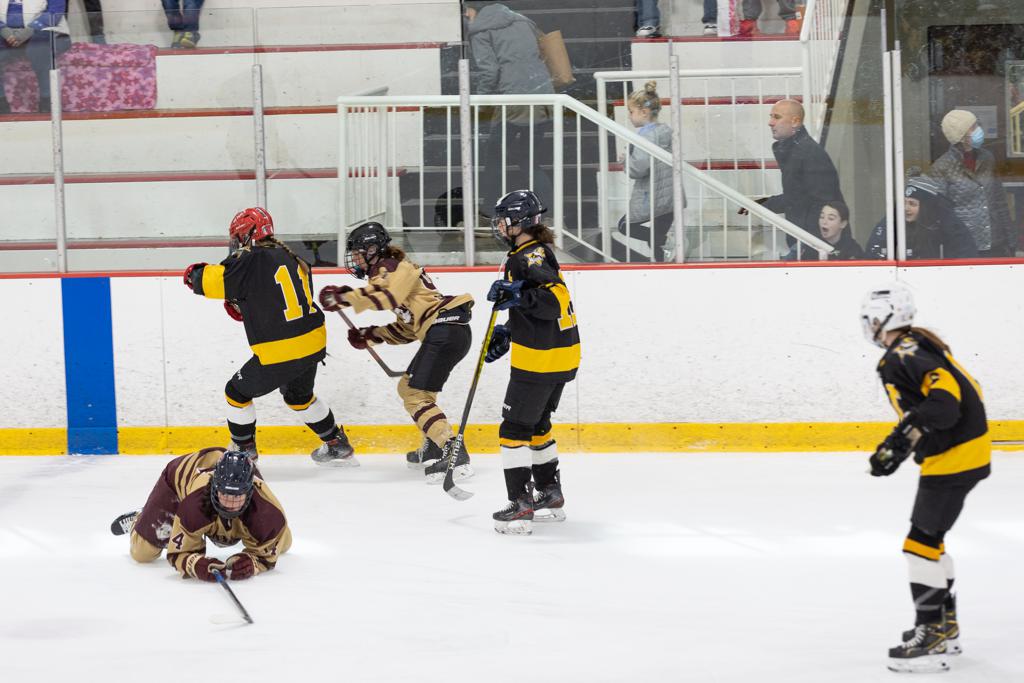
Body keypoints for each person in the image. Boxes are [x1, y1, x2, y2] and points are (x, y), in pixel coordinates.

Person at [860, 283, 990, 674]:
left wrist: (898, 442)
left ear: (885, 317)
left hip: (954, 457)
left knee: (918, 546)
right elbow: (939, 401)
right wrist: (901, 444)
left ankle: (930, 635)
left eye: (871, 318)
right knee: (930, 542)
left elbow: (943, 407)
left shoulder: (899, 356)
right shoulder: (918, 343)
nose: (869, 325)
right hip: (968, 450)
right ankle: (945, 628)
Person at [184, 207, 355, 467]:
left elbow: (210, 281)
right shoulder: (293, 256)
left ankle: (244, 450)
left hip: (281, 349)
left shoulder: (249, 258)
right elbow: (287, 298)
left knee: (236, 393)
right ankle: (336, 443)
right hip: (313, 341)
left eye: (238, 237)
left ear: (248, 235)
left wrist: (194, 273)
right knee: (299, 397)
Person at [317, 222, 476, 484]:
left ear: (372, 249)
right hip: (446, 332)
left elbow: (385, 296)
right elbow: (409, 328)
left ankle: (453, 452)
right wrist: (373, 334)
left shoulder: (393, 268)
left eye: (358, 252)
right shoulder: (391, 273)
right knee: (415, 391)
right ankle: (435, 445)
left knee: (413, 393)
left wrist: (345, 297)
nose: (355, 259)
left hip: (445, 331)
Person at [485, 190, 580, 536]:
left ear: (519, 222)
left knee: (513, 430)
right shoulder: (532, 253)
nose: (498, 225)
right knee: (538, 424)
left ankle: (520, 503)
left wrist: (517, 295)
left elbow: (554, 301)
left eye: (502, 219)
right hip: (559, 354)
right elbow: (538, 307)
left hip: (540, 360)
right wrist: (510, 330)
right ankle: (550, 494)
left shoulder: (529, 257)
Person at [110, 448, 291, 582]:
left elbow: (265, 557)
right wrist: (194, 563)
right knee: (142, 553)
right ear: (214, 487)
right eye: (225, 494)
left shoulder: (267, 511)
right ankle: (139, 519)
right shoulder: (195, 504)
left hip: (230, 500)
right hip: (178, 485)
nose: (230, 503)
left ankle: (279, 534)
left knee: (282, 543)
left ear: (250, 491)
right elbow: (178, 554)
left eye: (237, 496)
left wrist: (252, 563)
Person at [464, 2, 554, 219]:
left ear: (474, 9)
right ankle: (550, 210)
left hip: (514, 98)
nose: (466, 15)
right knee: (526, 157)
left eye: (467, 10)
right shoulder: (523, 20)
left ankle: (487, 211)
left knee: (494, 157)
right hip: (542, 95)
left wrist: (480, 100)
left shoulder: (480, 30)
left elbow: (489, 71)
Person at [742, 99, 843, 259]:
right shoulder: (795, 149)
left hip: (812, 243)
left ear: (795, 122)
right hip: (806, 241)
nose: (770, 122)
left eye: (776, 117)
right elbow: (797, 197)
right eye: (771, 116)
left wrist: (806, 246)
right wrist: (762, 204)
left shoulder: (807, 153)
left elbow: (821, 202)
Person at [928, 109, 1016, 257]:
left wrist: (1011, 240)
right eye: (974, 127)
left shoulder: (987, 158)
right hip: (963, 246)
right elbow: (940, 214)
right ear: (961, 135)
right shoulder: (942, 167)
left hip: (996, 243)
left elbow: (999, 201)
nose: (979, 130)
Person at [613, 80, 675, 263]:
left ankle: (667, 242)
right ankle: (663, 256)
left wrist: (626, 161)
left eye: (631, 112)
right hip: (669, 197)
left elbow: (637, 170)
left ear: (644, 112)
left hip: (652, 195)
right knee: (655, 242)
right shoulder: (665, 131)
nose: (630, 116)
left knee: (625, 226)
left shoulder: (644, 137)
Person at [865, 176, 977, 260]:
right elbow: (873, 252)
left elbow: (965, 255)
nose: (905, 208)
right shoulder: (892, 221)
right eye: (904, 203)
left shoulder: (949, 223)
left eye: (912, 204)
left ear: (926, 207)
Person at [0, 0, 71, 114]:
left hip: (45, 30)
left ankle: (47, 102)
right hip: (6, 34)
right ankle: (1, 103)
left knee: (40, 51)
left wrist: (29, 31)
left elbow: (55, 11)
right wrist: (4, 30)